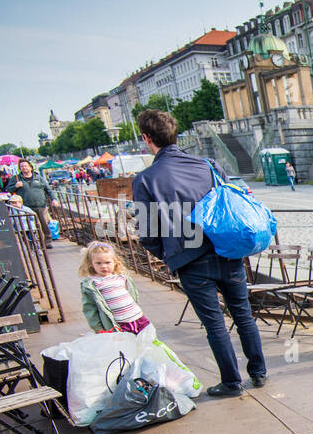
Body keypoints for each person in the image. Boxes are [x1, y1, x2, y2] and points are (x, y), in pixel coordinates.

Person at [131, 109, 267, 397]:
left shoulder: (145, 179)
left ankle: (232, 382)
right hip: (226, 251)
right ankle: (259, 372)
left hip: (189, 258)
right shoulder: (208, 165)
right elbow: (228, 202)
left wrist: (169, 254)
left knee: (214, 324)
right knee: (243, 315)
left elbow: (147, 233)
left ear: (146, 138)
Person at [79, 241, 151, 334]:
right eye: (98, 263)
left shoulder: (121, 277)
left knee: (146, 343)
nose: (104, 266)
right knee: (125, 347)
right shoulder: (92, 284)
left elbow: (132, 295)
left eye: (107, 262)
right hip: (118, 324)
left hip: (137, 317)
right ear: (91, 264)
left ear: (115, 262)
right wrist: (98, 328)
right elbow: (89, 308)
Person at [10, 159, 53, 246]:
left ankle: (48, 241)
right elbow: (8, 190)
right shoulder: (16, 179)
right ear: (19, 168)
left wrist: (54, 199)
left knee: (44, 224)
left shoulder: (38, 177)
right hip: (26, 207)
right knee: (31, 226)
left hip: (41, 205)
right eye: (22, 166)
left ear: (30, 167)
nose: (24, 168)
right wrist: (15, 186)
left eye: (25, 166)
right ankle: (36, 242)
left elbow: (48, 189)